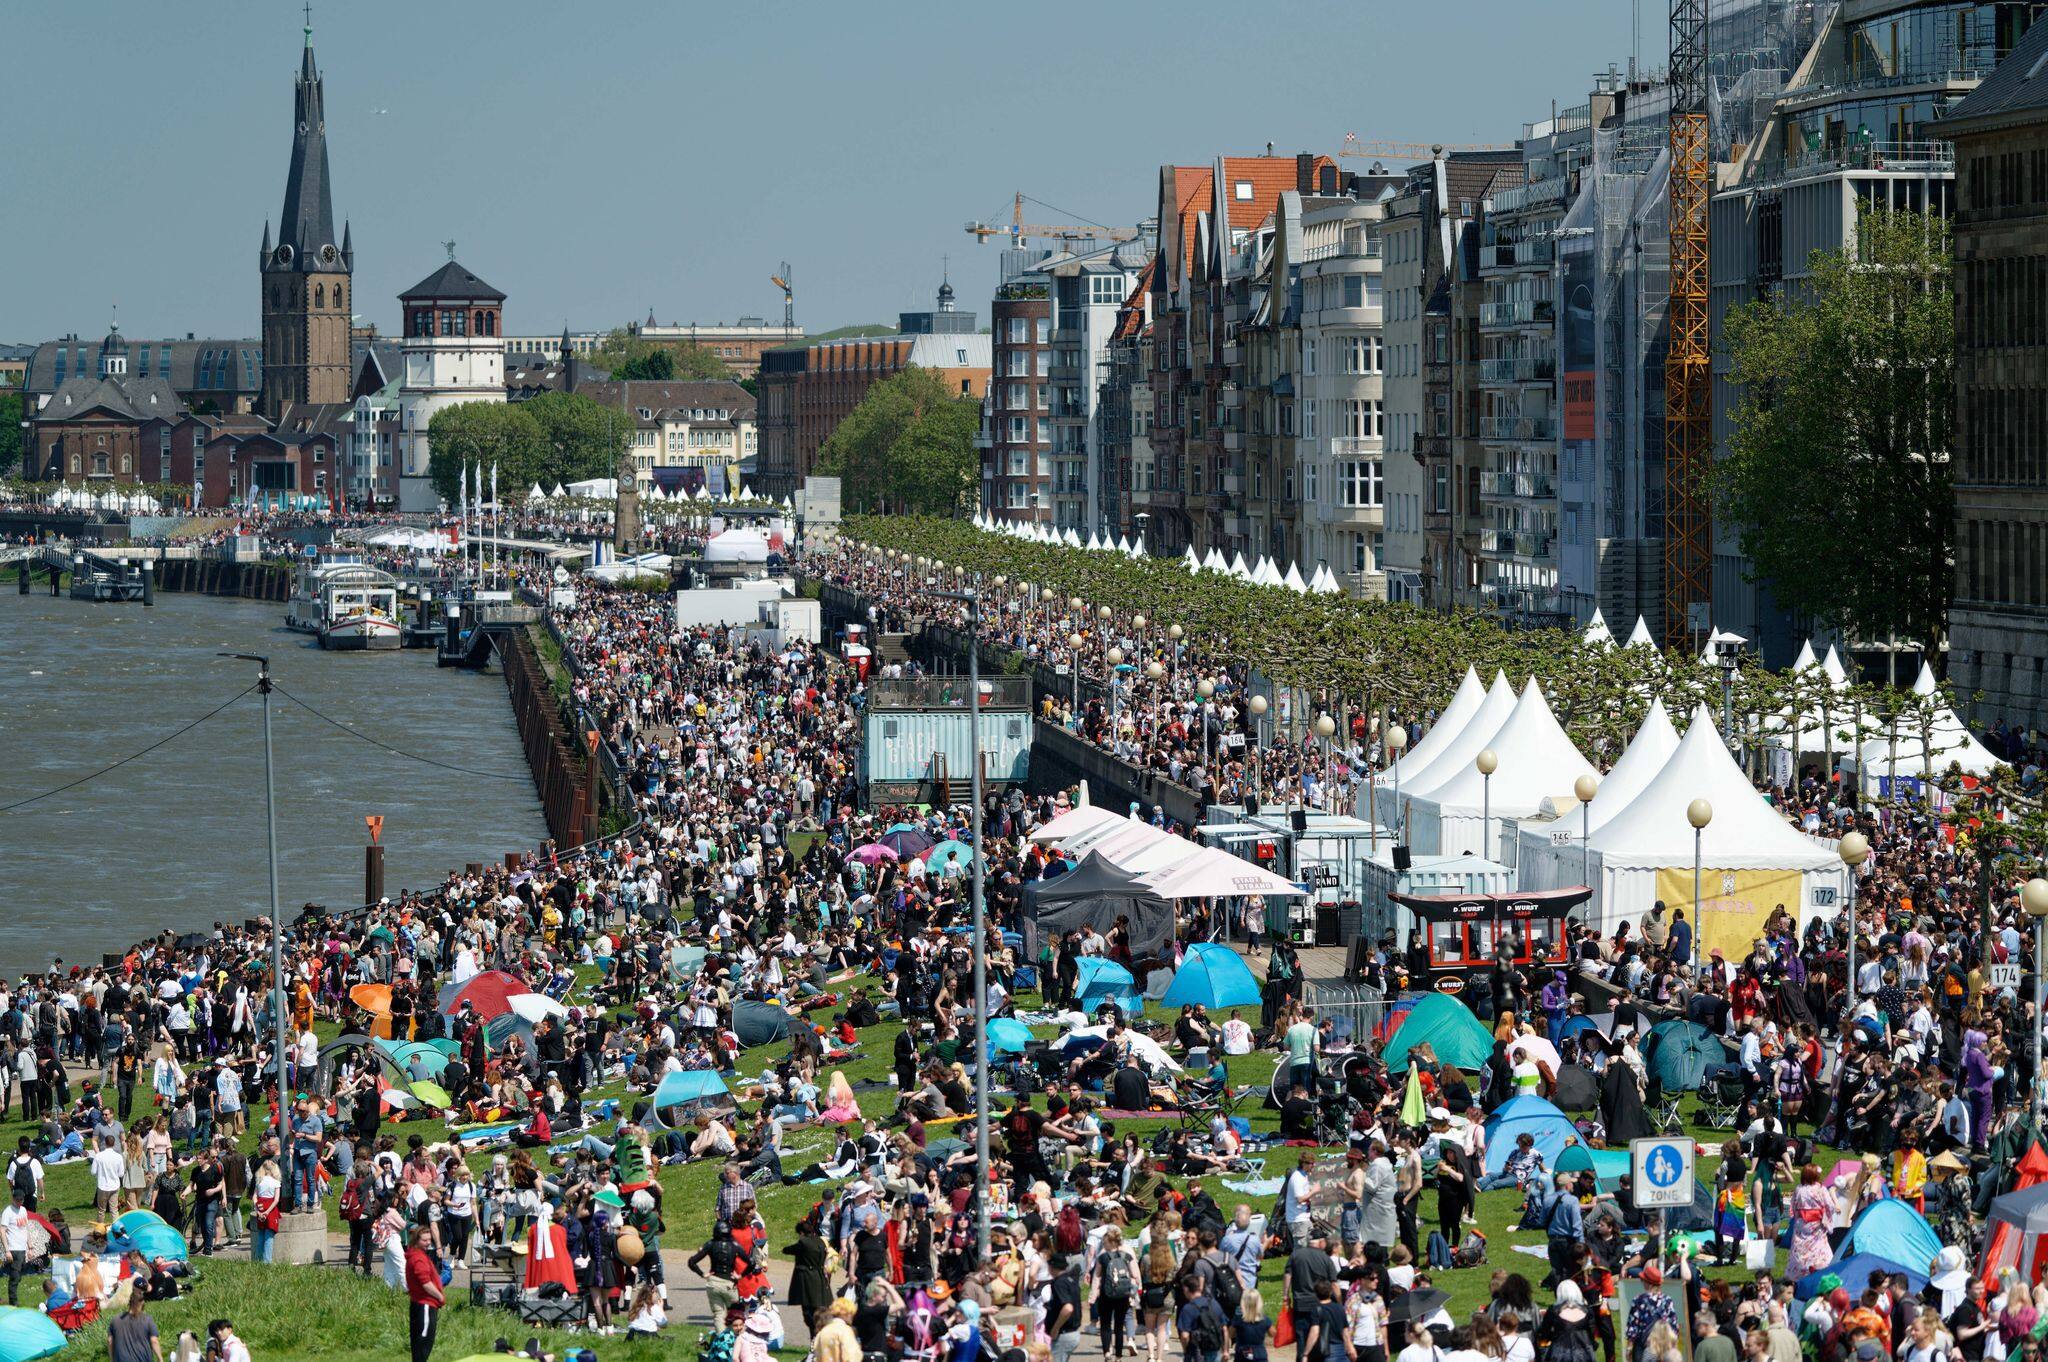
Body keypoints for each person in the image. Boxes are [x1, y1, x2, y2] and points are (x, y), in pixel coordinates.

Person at [404, 1224, 445, 1362]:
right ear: (416, 1240)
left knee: (419, 1343)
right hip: (425, 1304)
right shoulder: (418, 1258)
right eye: (424, 1240)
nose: (428, 1243)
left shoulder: (417, 1255)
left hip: (420, 1303)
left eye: (429, 1240)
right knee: (424, 1342)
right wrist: (440, 1296)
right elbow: (425, 1283)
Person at [1177, 1271, 1230, 1362]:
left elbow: (1185, 1336)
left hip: (1196, 1353)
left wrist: (1186, 1351)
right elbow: (1224, 1329)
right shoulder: (1213, 1303)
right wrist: (1225, 1351)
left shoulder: (1188, 1308)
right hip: (1215, 1350)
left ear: (1186, 1289)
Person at [108, 1291, 162, 1362]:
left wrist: (112, 1359)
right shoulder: (147, 1320)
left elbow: (110, 1341)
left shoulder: (115, 1320)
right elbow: (154, 1341)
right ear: (142, 1303)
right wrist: (160, 1359)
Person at [0, 1189, 28, 1307]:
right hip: (13, 1248)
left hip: (22, 1248)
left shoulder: (23, 1210)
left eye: (21, 1200)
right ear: (13, 1199)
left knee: (19, 1275)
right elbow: (2, 1230)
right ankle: (13, 1304)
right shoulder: (8, 1212)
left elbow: (26, 1228)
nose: (19, 1202)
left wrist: (30, 1246)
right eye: (17, 1200)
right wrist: (7, 1250)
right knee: (15, 1278)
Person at [814, 1296, 863, 1362]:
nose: (852, 1316)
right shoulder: (845, 1330)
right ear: (845, 1313)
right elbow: (851, 1356)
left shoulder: (823, 1331)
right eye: (851, 1313)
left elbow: (816, 1354)